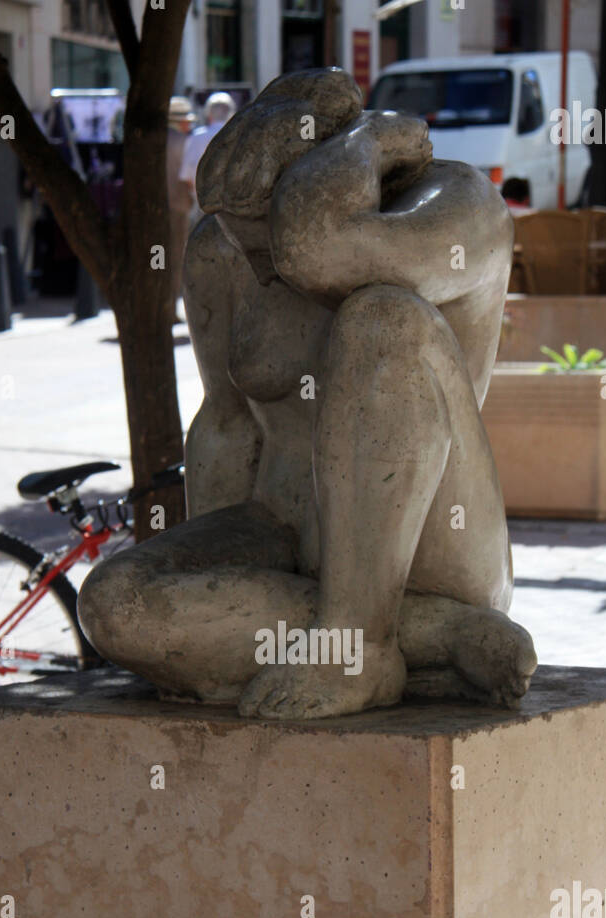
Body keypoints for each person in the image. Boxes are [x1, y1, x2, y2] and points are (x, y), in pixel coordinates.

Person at [79, 69, 536, 720]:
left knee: (381, 320)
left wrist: (373, 142)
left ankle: (366, 645)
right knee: (115, 602)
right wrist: (207, 574)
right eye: (241, 239)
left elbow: (323, 252)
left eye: (266, 238)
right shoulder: (222, 252)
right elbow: (227, 425)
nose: (258, 265)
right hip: (280, 528)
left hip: (430, 547)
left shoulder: (458, 208)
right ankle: (437, 635)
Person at [178, 91, 236, 210]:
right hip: (234, 206)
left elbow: (186, 175)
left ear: (208, 114)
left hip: (203, 204)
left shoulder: (196, 137)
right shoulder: (239, 135)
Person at [167, 96, 195, 323]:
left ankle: (162, 304)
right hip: (176, 206)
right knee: (174, 256)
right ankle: (169, 306)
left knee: (157, 255)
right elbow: (187, 177)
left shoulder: (153, 140)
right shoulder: (182, 141)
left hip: (156, 208)